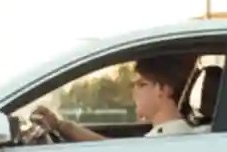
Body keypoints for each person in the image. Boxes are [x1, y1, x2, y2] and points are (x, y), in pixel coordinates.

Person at [31, 54, 202, 141]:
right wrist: (62, 126)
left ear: (164, 90)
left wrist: (63, 126)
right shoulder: (168, 133)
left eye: (141, 85)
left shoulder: (172, 138)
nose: (134, 92)